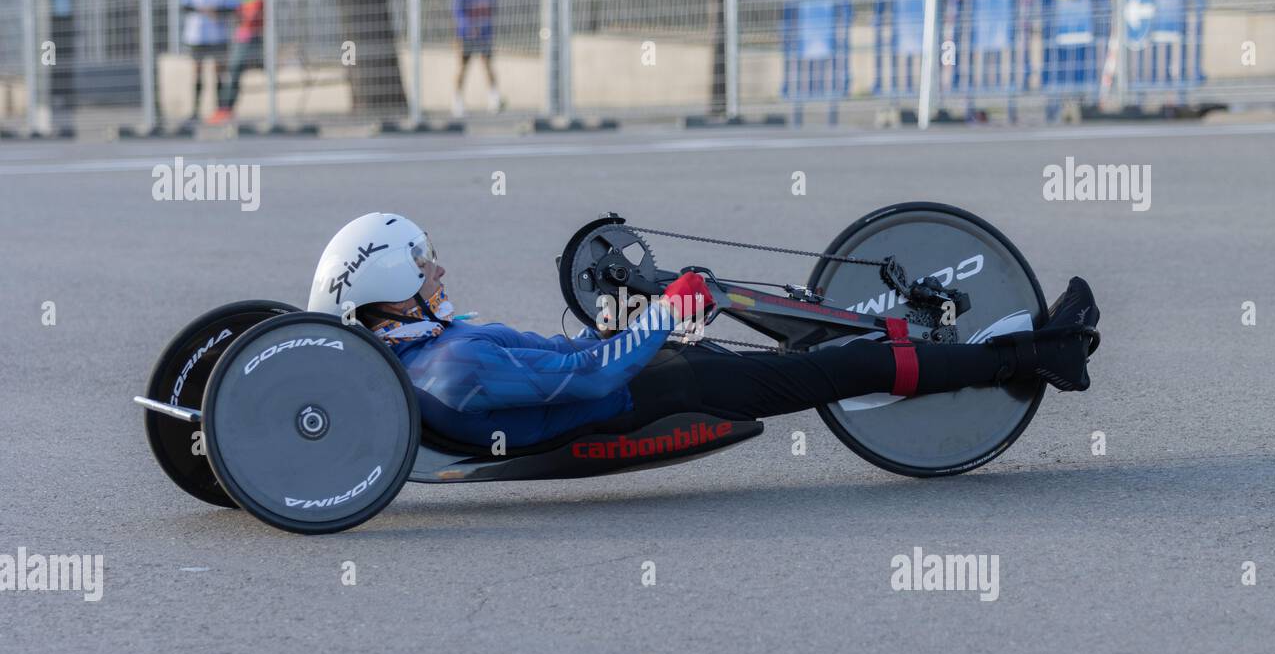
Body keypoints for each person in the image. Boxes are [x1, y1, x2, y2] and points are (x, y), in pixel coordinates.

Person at [307, 213, 1100, 450]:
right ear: (392, 295)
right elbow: (588, 380)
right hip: (655, 393)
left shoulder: (425, 350)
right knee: (847, 366)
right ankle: (1040, 354)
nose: (438, 272)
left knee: (812, 338)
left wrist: (646, 317)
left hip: (644, 375)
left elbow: (570, 358)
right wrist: (663, 317)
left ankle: (999, 345)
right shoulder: (452, 367)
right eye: (423, 268)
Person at [180, 0, 239, 122]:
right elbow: (184, 4)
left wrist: (217, 12)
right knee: (197, 73)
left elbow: (233, 6)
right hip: (197, 35)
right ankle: (195, 110)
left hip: (218, 35)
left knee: (219, 73)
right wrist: (202, 10)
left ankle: (219, 109)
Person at [208, 0, 263, 125]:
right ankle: (225, 109)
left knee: (233, 73)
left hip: (249, 40)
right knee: (232, 74)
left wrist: (237, 13)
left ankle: (225, 109)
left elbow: (249, 18)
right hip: (242, 39)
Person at [451, 0, 502, 118]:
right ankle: (457, 100)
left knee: (487, 64)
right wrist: (469, 28)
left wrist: (483, 27)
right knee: (463, 66)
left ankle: (494, 99)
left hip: (484, 34)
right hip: (467, 35)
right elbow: (458, 11)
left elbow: (492, 10)